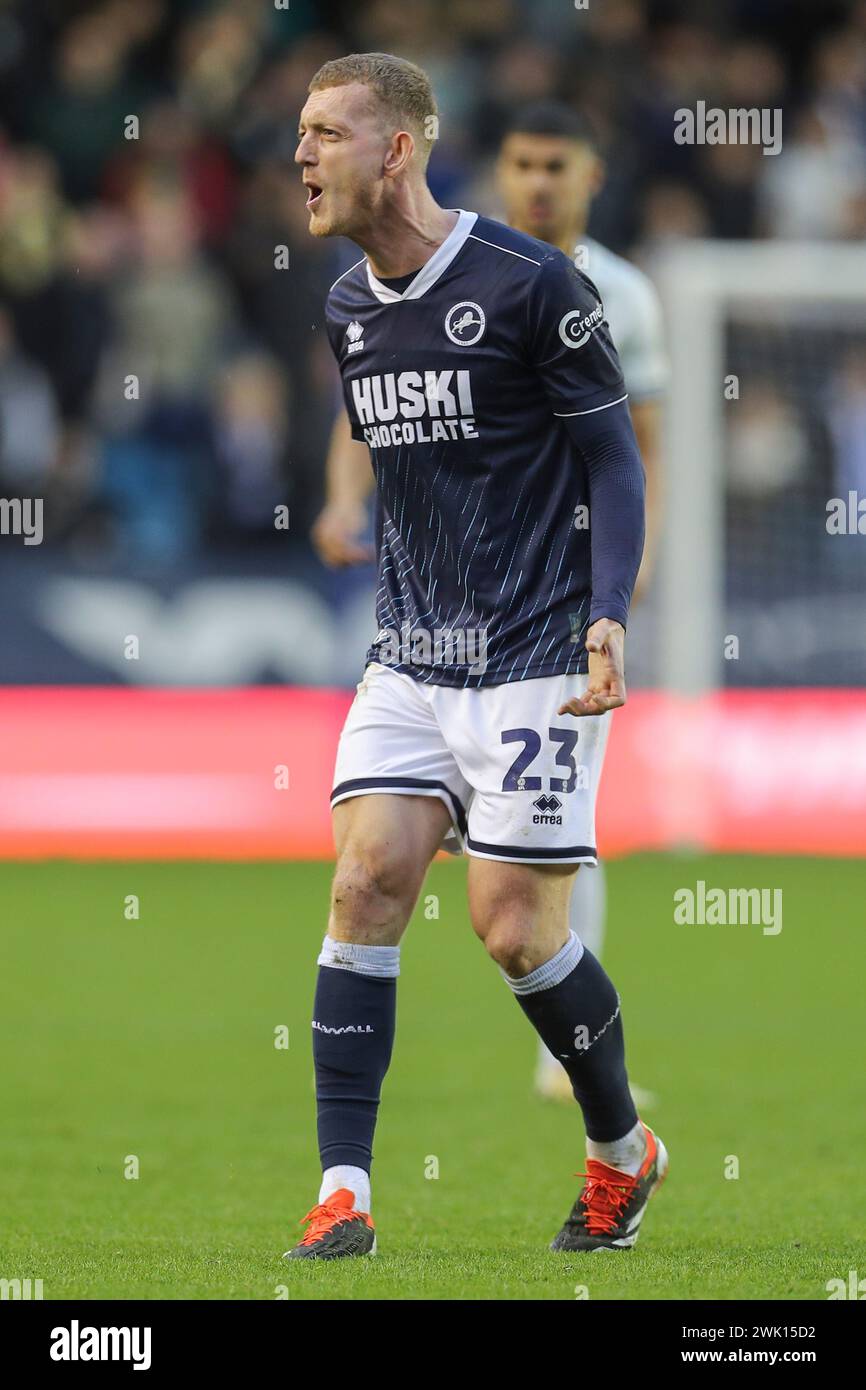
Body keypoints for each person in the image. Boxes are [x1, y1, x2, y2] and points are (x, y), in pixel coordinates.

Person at [287, 51, 668, 1261]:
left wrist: (607, 607)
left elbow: (614, 460)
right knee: (365, 884)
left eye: (323, 133)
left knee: (510, 928)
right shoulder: (346, 305)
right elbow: (373, 439)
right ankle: (342, 1191)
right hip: (409, 655)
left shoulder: (529, 285)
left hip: (534, 653)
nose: (299, 154)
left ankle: (621, 1152)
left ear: (395, 148)